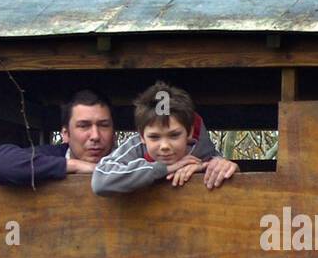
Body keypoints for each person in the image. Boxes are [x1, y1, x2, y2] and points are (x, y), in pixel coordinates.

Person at [91, 82, 239, 196]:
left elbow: (223, 168)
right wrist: (165, 169)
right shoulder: (136, 146)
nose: (165, 146)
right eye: (154, 137)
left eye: (174, 135)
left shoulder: (202, 150)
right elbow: (100, 180)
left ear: (189, 132)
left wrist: (217, 168)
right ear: (142, 136)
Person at [0, 89, 117, 186]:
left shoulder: (128, 160)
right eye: (84, 126)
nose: (95, 136)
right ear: (65, 134)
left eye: (104, 125)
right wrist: (76, 166)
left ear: (114, 133)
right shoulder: (53, 156)